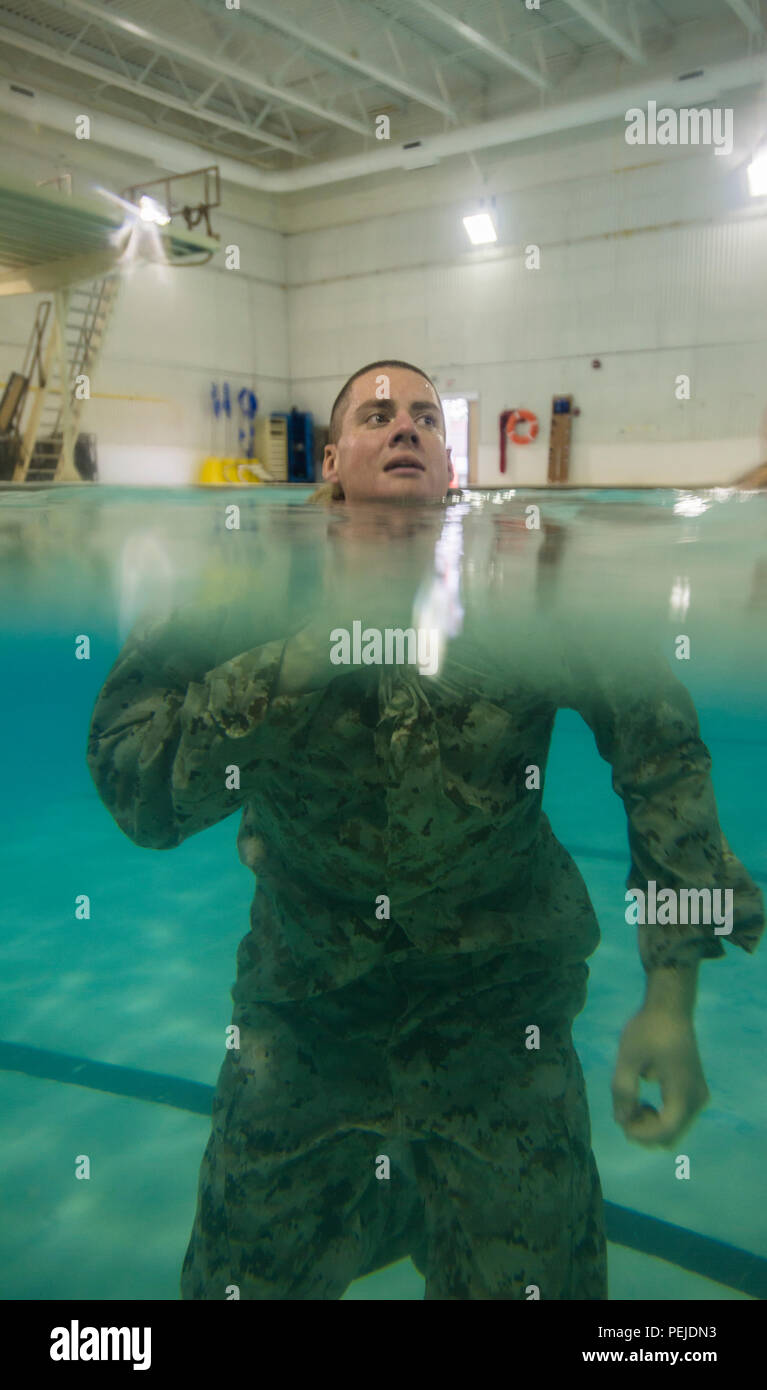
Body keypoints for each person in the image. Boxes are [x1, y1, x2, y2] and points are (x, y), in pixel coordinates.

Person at [86, 360, 764, 1300]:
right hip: (303, 1013)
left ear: (451, 466)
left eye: (424, 418)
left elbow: (659, 753)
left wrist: (671, 998)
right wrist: (306, 655)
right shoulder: (247, 585)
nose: (402, 426)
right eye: (374, 414)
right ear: (330, 460)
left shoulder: (524, 582)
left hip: (500, 1015)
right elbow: (139, 788)